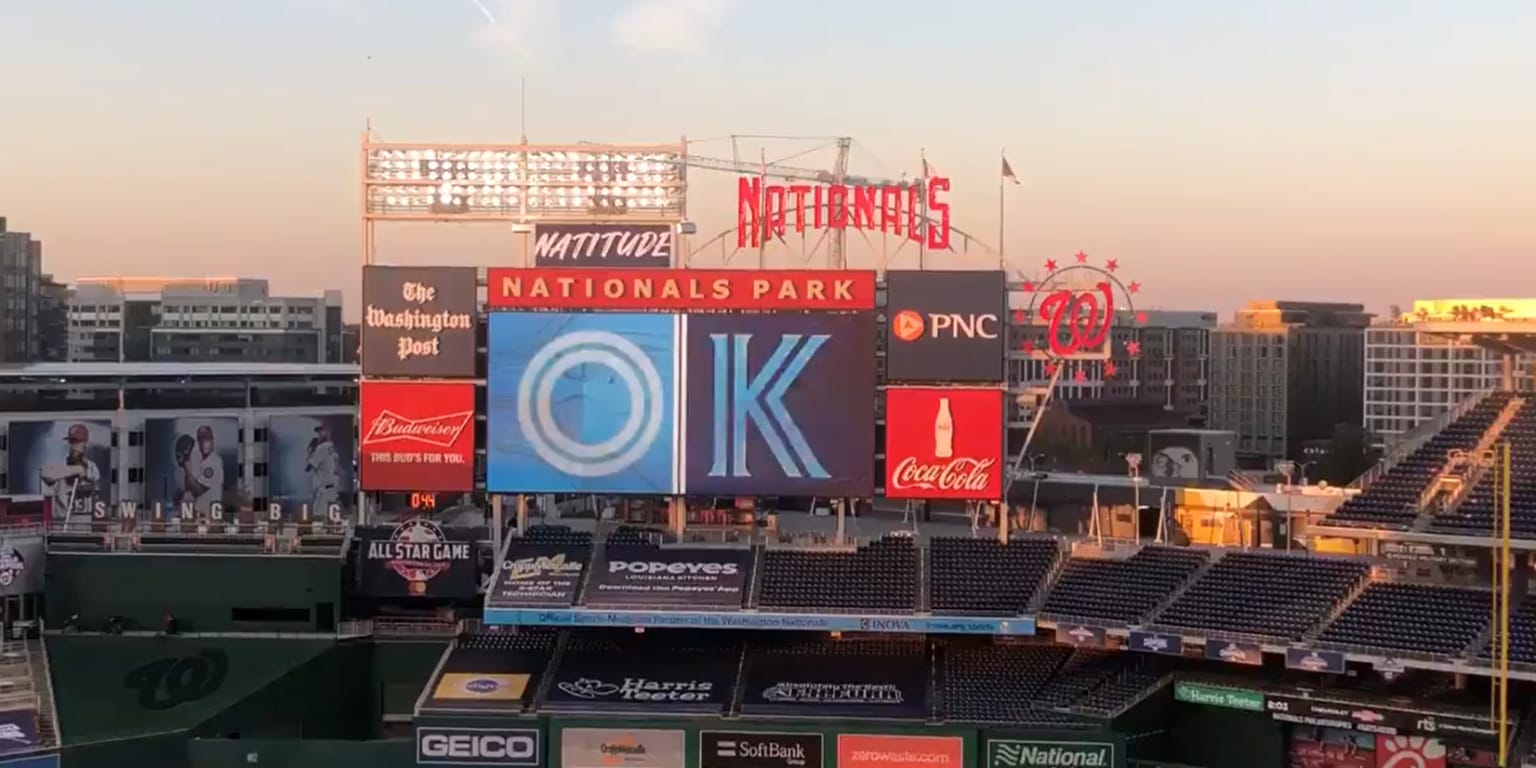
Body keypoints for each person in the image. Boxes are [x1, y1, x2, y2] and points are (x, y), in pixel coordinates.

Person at [39, 423, 102, 520]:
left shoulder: (92, 468)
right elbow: (44, 473)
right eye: (71, 442)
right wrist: (77, 469)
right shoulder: (62, 467)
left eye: (77, 442)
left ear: (85, 443)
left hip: (85, 526)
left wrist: (84, 472)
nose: (74, 446)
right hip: (62, 526)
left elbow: (98, 496)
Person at [180, 424, 224, 516]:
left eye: (206, 438)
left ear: (212, 440)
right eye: (200, 438)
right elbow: (188, 488)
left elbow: (198, 490)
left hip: (209, 515)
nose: (203, 441)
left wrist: (187, 470)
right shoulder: (198, 460)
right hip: (195, 513)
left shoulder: (215, 461)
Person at [306, 423, 341, 514]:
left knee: (318, 520)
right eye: (319, 431)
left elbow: (308, 467)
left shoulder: (321, 448)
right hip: (333, 490)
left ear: (327, 432)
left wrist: (310, 449)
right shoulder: (332, 446)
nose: (320, 434)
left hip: (325, 491)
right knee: (330, 523)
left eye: (322, 431)